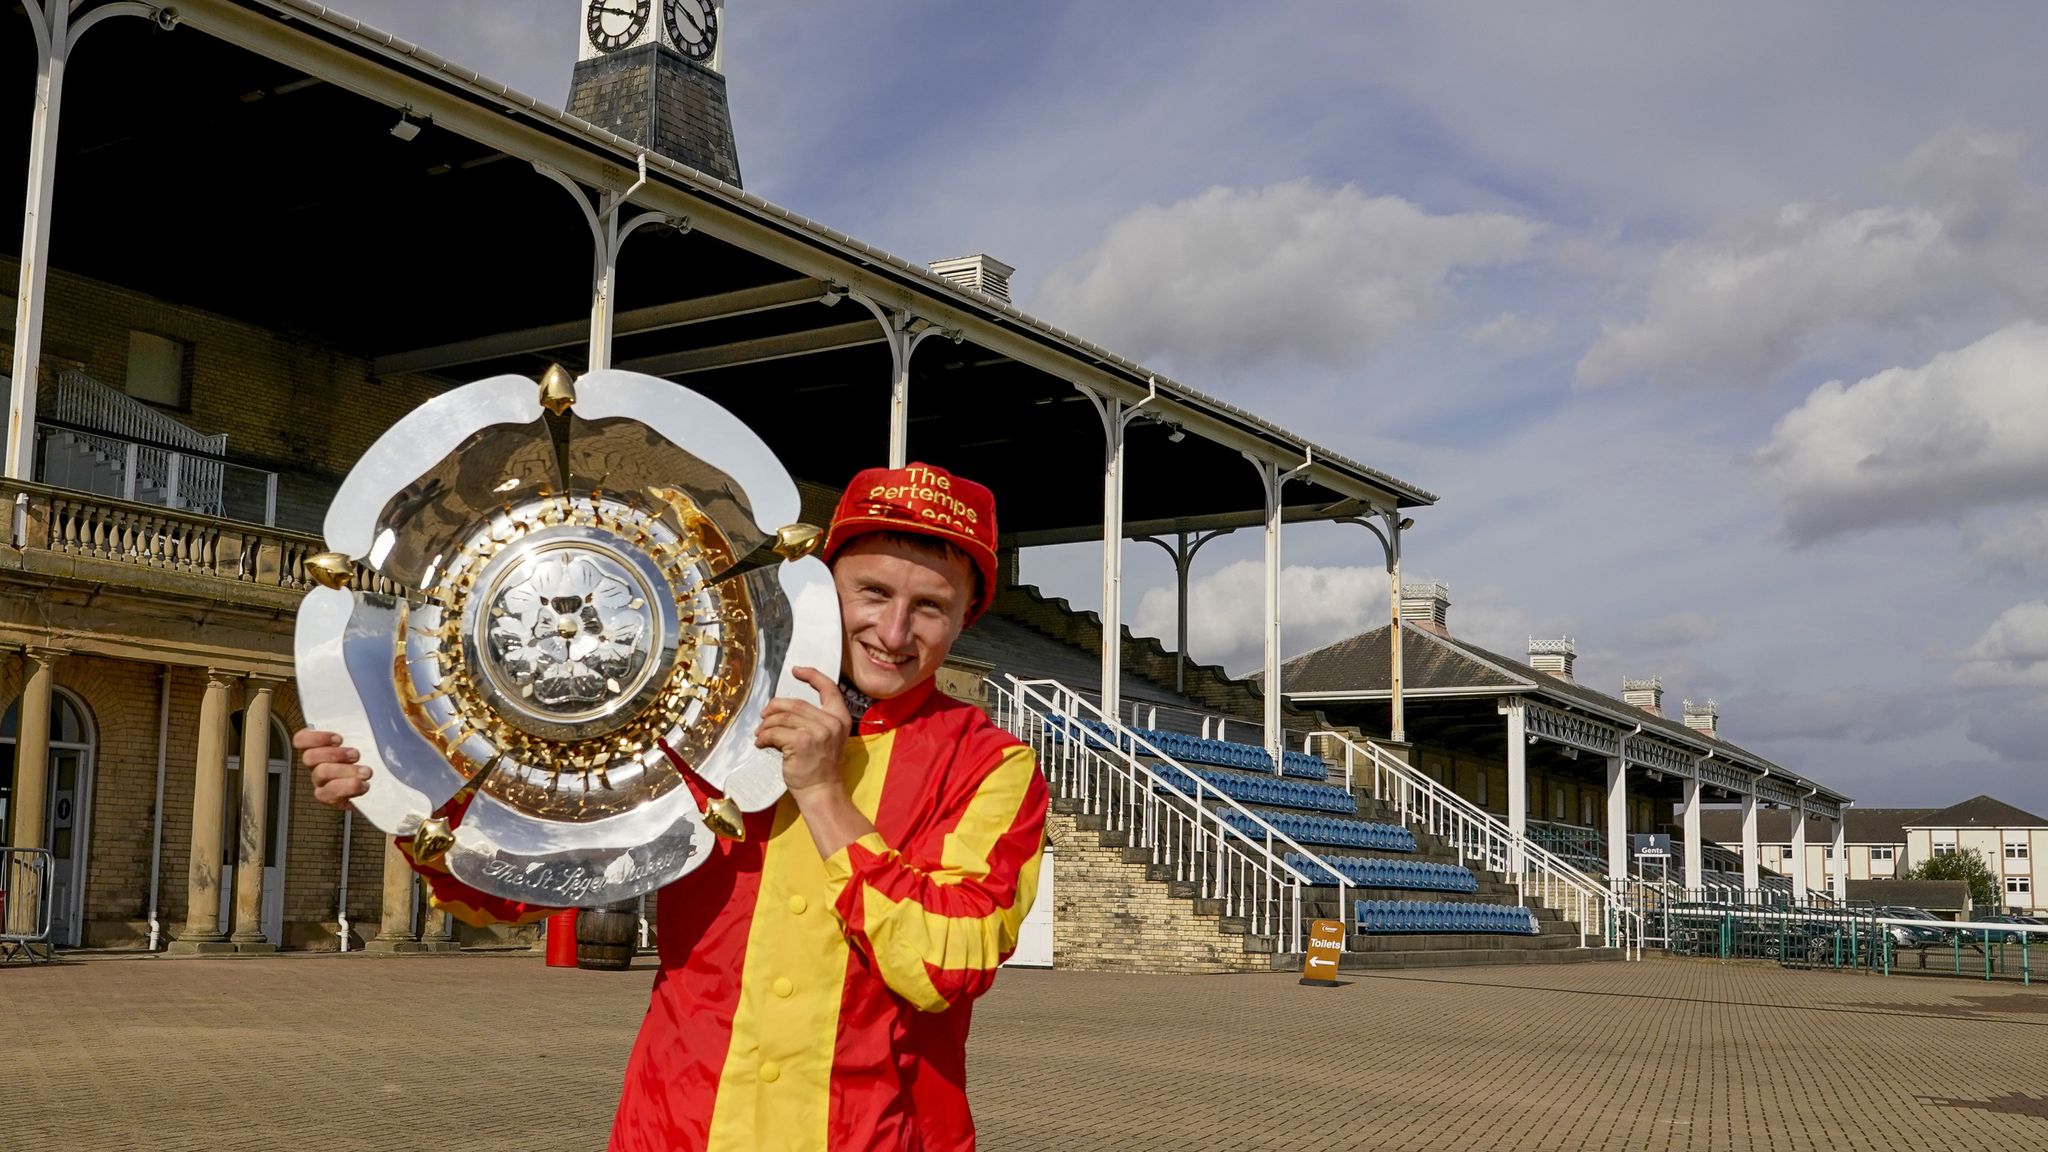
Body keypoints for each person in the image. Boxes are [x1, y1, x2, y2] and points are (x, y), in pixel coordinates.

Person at [297, 462, 1048, 1152]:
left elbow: (942, 966)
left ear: (965, 620)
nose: (892, 632)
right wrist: (403, 798)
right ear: (823, 586)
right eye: (874, 593)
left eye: (929, 609)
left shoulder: (991, 764)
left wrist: (821, 793)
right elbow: (521, 893)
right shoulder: (704, 708)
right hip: (679, 1126)